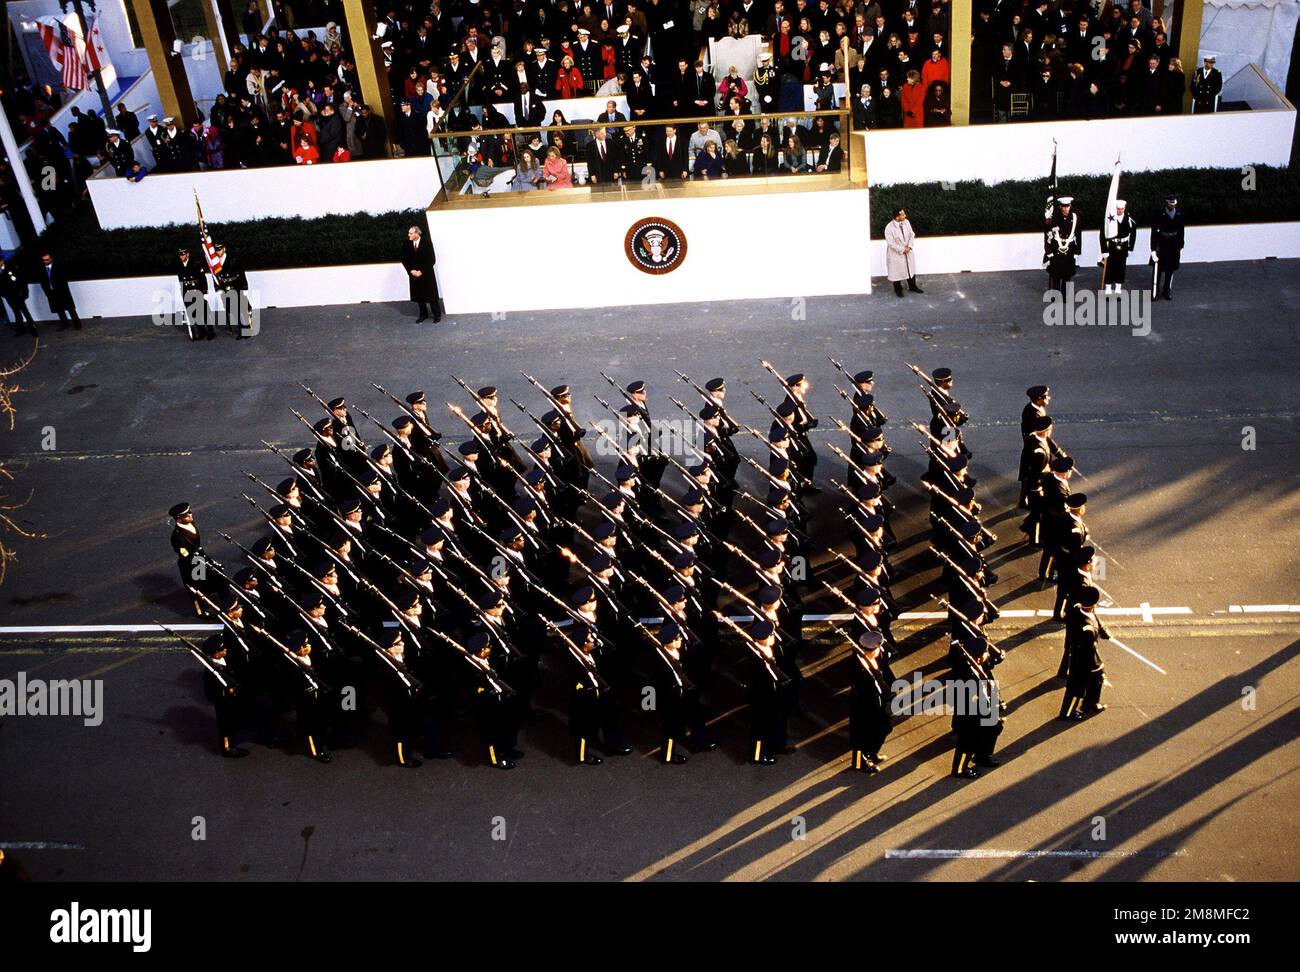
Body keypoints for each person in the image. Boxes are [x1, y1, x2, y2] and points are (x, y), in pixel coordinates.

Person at [1059, 586, 1109, 721]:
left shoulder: (1077, 609)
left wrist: (1102, 630)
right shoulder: (1087, 630)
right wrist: (1096, 665)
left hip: (1083, 655)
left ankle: (1092, 703)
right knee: (1076, 688)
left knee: (1097, 680)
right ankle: (1068, 713)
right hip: (1083, 661)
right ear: (1094, 604)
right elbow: (1088, 650)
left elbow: (1094, 616)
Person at [401, 225, 441, 323]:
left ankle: (436, 315)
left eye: (411, 233)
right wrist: (411, 271)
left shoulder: (427, 243)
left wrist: (421, 271)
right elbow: (404, 259)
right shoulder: (407, 244)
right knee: (419, 296)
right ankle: (423, 315)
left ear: (417, 233)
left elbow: (431, 259)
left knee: (431, 296)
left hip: (427, 274)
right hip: (414, 275)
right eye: (409, 233)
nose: (408, 235)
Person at [175, 246, 215, 341]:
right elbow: (181, 281)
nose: (182, 256)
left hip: (198, 292)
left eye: (183, 254)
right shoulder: (179, 266)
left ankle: (211, 332)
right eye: (180, 255)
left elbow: (203, 279)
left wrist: (205, 292)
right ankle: (202, 331)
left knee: (204, 313)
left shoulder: (196, 264)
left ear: (187, 254)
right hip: (187, 293)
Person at [1044, 196, 1082, 296]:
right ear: (1060, 207)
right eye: (1063, 207)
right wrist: (1048, 251)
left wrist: (1077, 251)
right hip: (1056, 249)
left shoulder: (1075, 218)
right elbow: (1047, 235)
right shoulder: (1054, 218)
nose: (1066, 209)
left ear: (1070, 206)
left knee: (1067, 274)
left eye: (1067, 206)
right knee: (1055, 274)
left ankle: (1065, 295)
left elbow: (1078, 235)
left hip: (1070, 249)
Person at [213, 244, 252, 339]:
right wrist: (217, 288)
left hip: (236, 286)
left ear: (224, 249)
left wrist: (244, 287)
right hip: (225, 289)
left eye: (220, 249)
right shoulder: (215, 262)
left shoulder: (233, 259)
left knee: (241, 309)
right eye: (217, 250)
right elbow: (214, 276)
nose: (218, 252)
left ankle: (246, 330)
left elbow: (241, 273)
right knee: (234, 311)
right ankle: (241, 330)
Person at [1151, 193, 1186, 300]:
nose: (1172, 206)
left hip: (1173, 244)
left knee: (1170, 269)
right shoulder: (1159, 214)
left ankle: (1167, 290)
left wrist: (1180, 244)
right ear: (1167, 203)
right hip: (1162, 243)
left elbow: (1181, 230)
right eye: (1170, 203)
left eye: (1174, 203)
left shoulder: (1179, 214)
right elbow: (1154, 232)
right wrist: (1153, 249)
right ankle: (1155, 291)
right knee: (1158, 270)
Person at [1100, 200, 1138, 293]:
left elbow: (1133, 234)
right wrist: (1104, 250)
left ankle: (1118, 289)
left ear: (1124, 209)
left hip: (1123, 246)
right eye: (1118, 209)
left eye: (1122, 209)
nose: (1120, 211)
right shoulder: (1110, 219)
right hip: (1112, 246)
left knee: (1121, 267)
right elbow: (1102, 235)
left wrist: (1130, 248)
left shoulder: (1129, 220)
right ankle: (1108, 289)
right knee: (1110, 267)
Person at [36, 251, 80, 330]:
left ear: (51, 259)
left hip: (62, 291)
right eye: (43, 260)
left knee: (70, 308)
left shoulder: (59, 267)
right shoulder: (42, 269)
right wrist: (47, 291)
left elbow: (64, 278)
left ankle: (77, 324)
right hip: (52, 292)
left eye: (47, 260)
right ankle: (65, 324)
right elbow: (42, 281)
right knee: (59, 309)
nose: (45, 262)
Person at [883, 208, 922, 296]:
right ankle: (898, 290)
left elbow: (912, 234)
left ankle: (913, 287)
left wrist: (909, 246)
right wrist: (902, 249)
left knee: (910, 269)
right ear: (897, 217)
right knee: (896, 272)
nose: (905, 215)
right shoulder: (889, 228)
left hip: (908, 251)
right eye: (903, 214)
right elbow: (891, 243)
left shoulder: (906, 222)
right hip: (896, 254)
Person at [0, 255, 36, 338]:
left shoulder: (11, 269)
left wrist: (23, 292)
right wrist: (3, 294)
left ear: (2, 261)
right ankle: (21, 329)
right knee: (16, 312)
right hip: (9, 296)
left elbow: (19, 280)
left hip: (17, 295)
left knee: (25, 312)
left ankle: (32, 329)